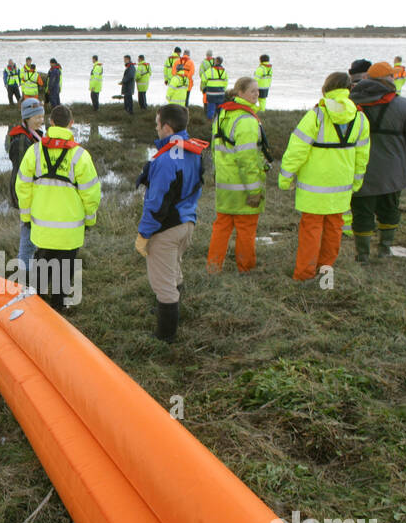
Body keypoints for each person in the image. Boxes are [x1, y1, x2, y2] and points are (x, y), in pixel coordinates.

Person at [278, 72, 370, 281]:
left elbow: (296, 149)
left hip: (313, 188)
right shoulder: (360, 118)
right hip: (342, 186)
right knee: (334, 231)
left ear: (325, 89)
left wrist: (286, 177)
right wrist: (357, 181)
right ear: (349, 89)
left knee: (311, 231)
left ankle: (303, 275)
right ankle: (325, 272)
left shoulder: (317, 115)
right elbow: (362, 155)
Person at [15, 104, 102, 312]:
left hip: (42, 229)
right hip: (70, 232)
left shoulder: (33, 152)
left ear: (51, 122)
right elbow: (91, 195)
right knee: (64, 270)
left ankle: (35, 309)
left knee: (41, 268)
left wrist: (26, 218)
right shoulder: (81, 156)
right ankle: (59, 309)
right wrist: (89, 221)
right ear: (71, 124)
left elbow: (22, 188)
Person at [136, 103, 205, 341]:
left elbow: (156, 204)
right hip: (188, 222)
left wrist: (144, 235)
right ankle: (173, 312)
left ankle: (165, 338)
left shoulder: (165, 160)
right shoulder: (193, 151)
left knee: (163, 285)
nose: (156, 128)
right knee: (174, 270)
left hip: (166, 229)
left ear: (166, 127)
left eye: (157, 124)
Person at [349, 62, 406, 262]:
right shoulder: (405, 105)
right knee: (389, 210)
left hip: (358, 169)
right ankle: (384, 249)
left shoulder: (351, 103)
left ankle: (362, 254)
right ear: (389, 79)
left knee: (361, 212)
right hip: (393, 170)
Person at [207, 77, 269, 274]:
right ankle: (246, 268)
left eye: (258, 91)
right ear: (240, 92)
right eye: (252, 91)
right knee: (246, 229)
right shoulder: (247, 120)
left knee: (221, 227)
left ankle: (213, 267)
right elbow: (247, 160)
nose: (257, 95)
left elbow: (216, 149)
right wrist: (254, 191)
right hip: (242, 187)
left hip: (224, 184)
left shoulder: (223, 113)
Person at [5, 98, 45, 270]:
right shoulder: (22, 140)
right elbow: (24, 173)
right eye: (36, 117)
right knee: (27, 236)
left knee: (33, 234)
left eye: (42, 116)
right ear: (27, 118)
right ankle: (23, 274)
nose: (40, 120)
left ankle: (28, 269)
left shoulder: (34, 135)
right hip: (25, 195)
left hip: (32, 194)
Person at [202, 56, 228, 121]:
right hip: (221, 92)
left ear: (216, 61)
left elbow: (203, 78)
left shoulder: (211, 70)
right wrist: (223, 89)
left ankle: (210, 120)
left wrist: (207, 83)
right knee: (220, 108)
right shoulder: (224, 71)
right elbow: (226, 82)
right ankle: (220, 120)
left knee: (211, 107)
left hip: (211, 92)